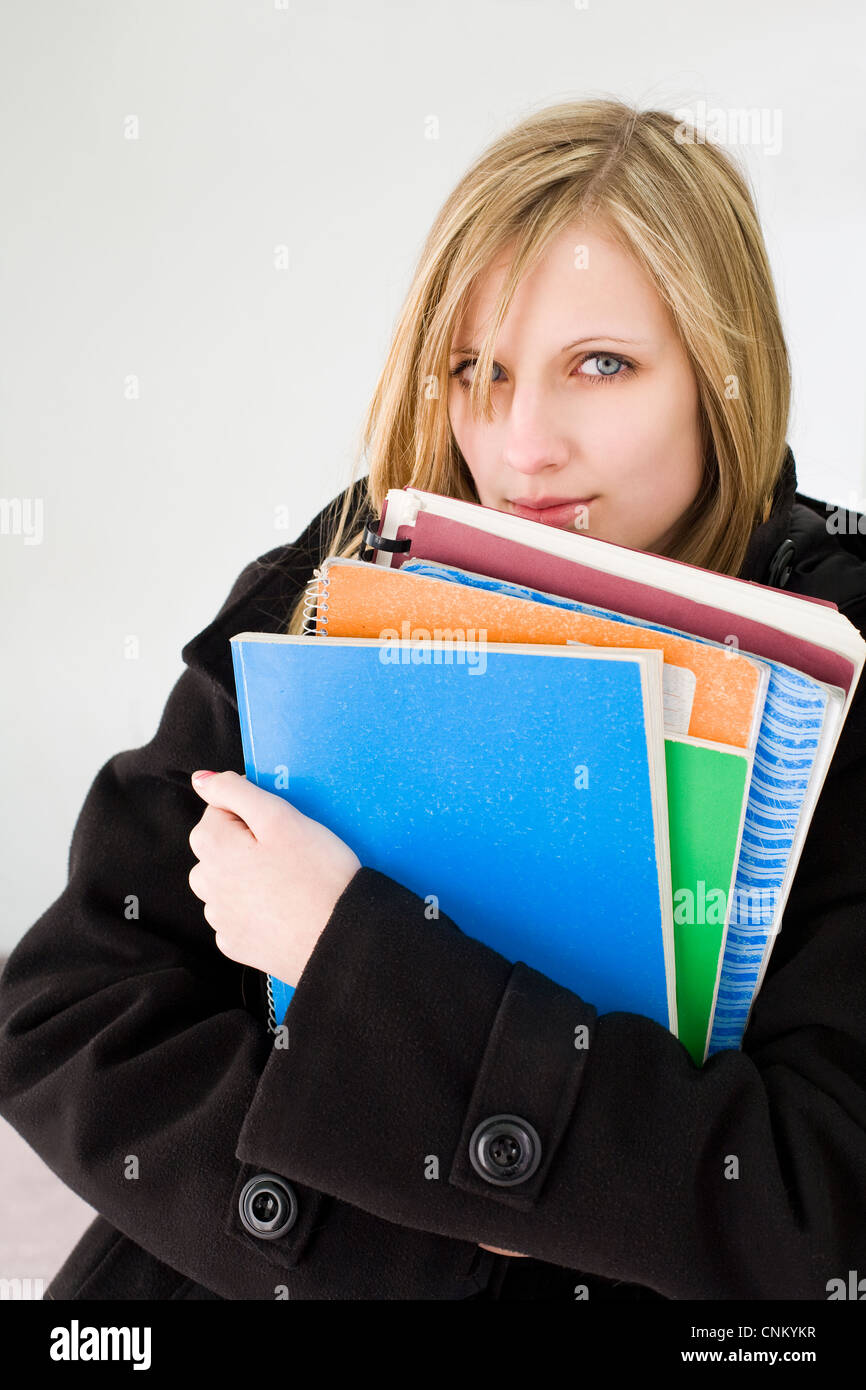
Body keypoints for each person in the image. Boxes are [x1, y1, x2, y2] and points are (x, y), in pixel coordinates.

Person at [1, 97, 865, 1302]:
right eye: (478, 370)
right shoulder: (341, 571)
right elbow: (65, 1006)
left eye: (600, 366)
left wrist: (342, 944)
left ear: (722, 375)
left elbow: (812, 1210)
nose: (520, 448)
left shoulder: (839, 655)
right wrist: (444, 1238)